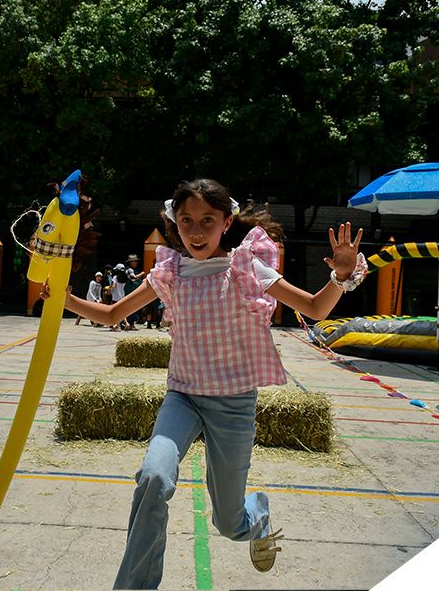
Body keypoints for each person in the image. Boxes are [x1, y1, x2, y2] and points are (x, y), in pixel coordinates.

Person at [40, 179, 366, 589]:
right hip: (183, 397)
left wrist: (340, 274)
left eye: (207, 221)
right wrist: (64, 299)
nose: (196, 231)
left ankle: (257, 515)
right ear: (174, 223)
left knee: (229, 524)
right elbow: (110, 315)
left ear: (226, 222)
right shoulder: (171, 271)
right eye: (186, 220)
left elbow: (316, 308)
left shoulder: (247, 266)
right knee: (153, 478)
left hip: (233, 404)